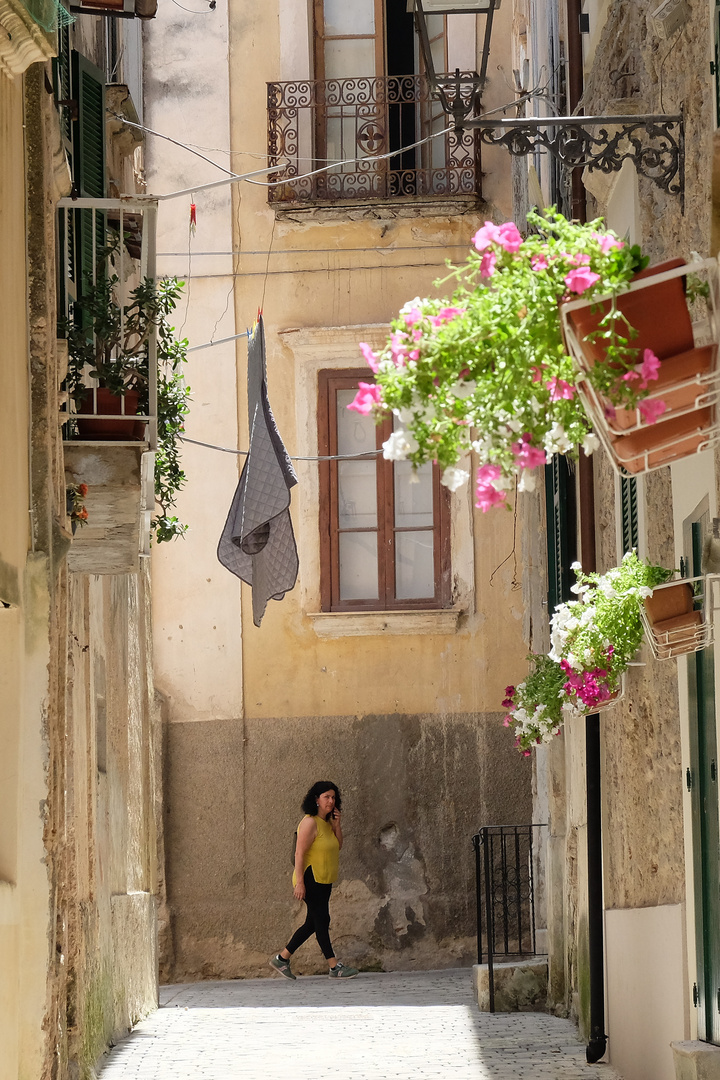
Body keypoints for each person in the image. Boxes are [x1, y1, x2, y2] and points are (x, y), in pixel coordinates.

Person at [269, 781, 359, 980]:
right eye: (326, 796)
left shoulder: (327, 823)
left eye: (333, 797)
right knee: (322, 920)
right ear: (316, 799)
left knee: (312, 922)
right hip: (310, 878)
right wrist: (299, 882)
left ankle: (282, 959)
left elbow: (338, 845)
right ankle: (334, 966)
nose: (331, 800)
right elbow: (299, 853)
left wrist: (337, 825)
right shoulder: (309, 822)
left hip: (325, 879)